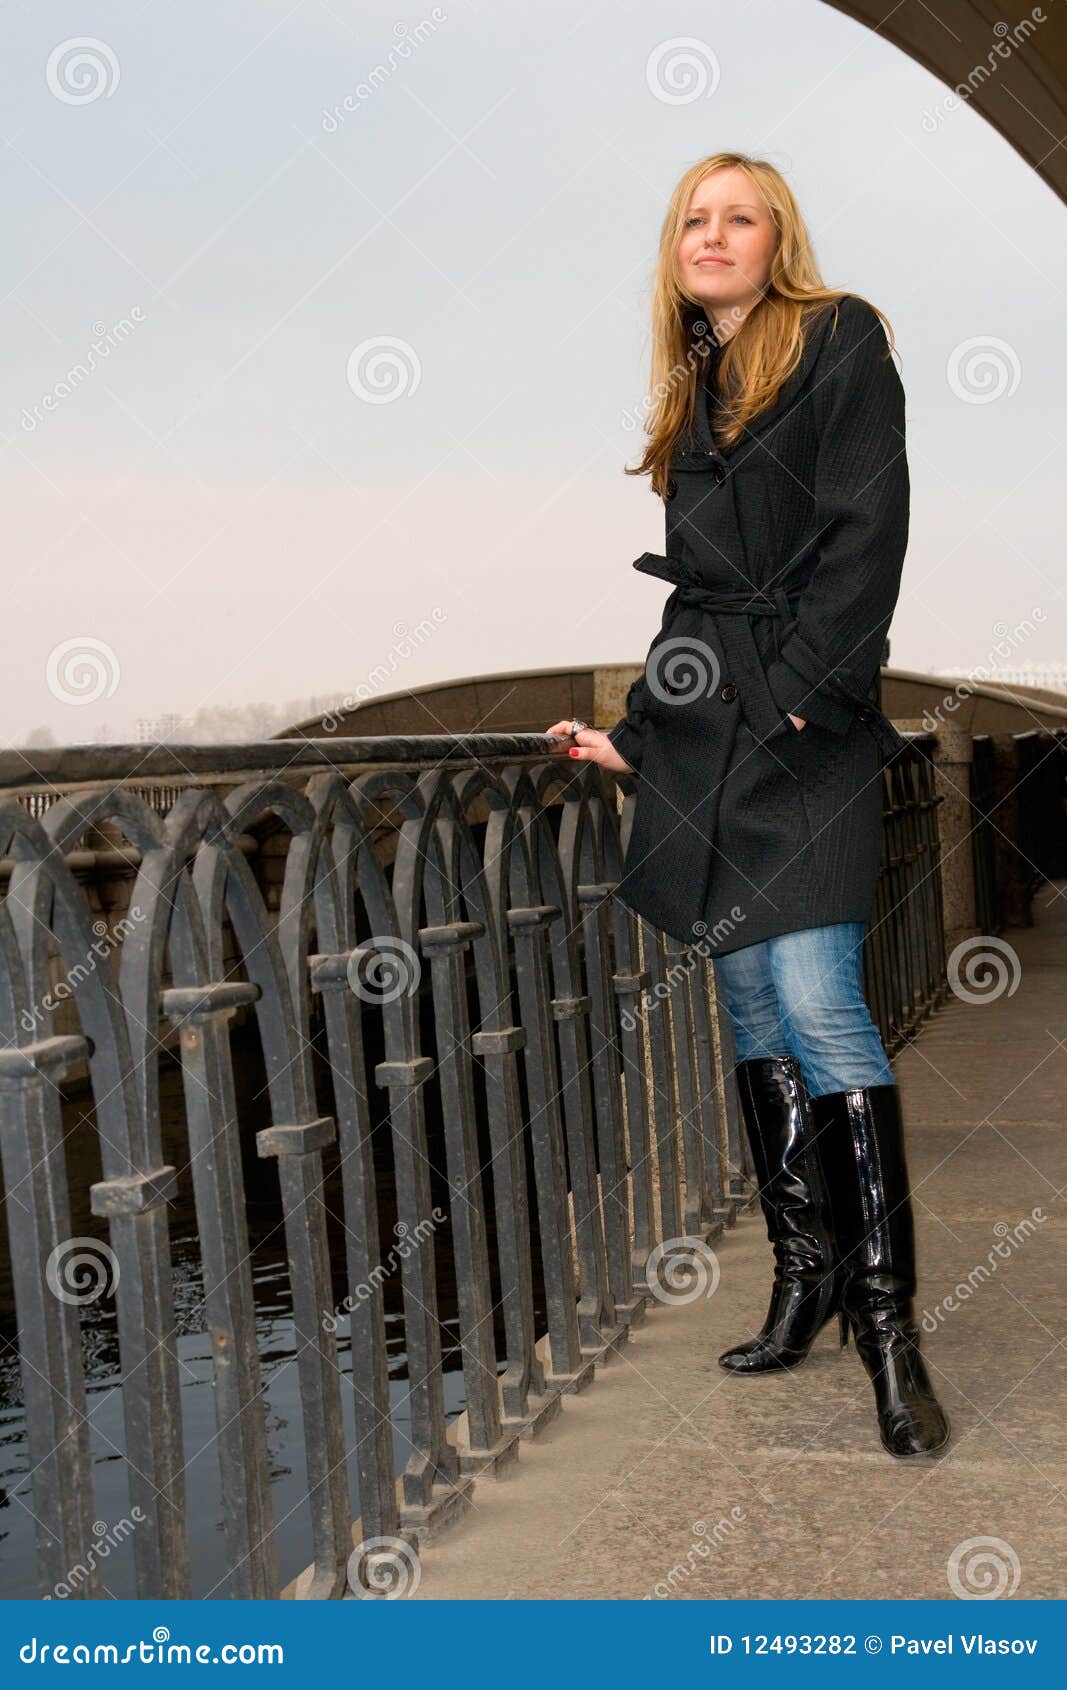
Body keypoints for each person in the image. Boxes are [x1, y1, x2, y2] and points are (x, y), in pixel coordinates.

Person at [545, 151, 949, 1460]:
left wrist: (784, 699)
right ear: (675, 252)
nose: (711, 237)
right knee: (754, 1002)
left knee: (824, 998)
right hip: (712, 735)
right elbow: (690, 610)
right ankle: (805, 1275)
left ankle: (890, 1330)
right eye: (691, 221)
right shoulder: (694, 398)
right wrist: (636, 738)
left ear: (779, 239)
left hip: (808, 727)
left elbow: (867, 533)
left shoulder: (841, 340)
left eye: (738, 217)